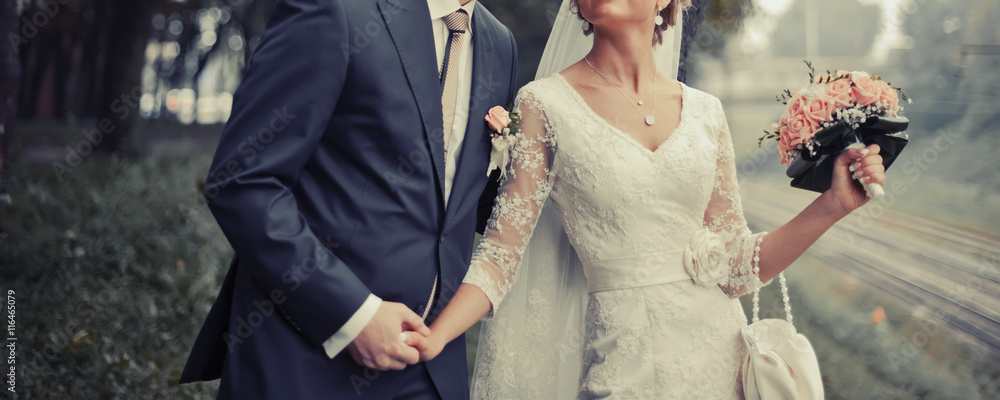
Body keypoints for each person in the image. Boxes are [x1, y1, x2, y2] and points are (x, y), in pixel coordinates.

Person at [407, 0, 887, 398]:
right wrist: (435, 337)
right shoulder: (544, 104)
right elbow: (499, 257)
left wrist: (834, 204)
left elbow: (737, 268)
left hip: (722, 362)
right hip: (623, 364)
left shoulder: (706, 113)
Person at [178, 0, 518, 398]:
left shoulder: (500, 44)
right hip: (305, 353)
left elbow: (474, 203)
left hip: (431, 370)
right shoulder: (336, 9)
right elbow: (244, 180)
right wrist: (353, 315)